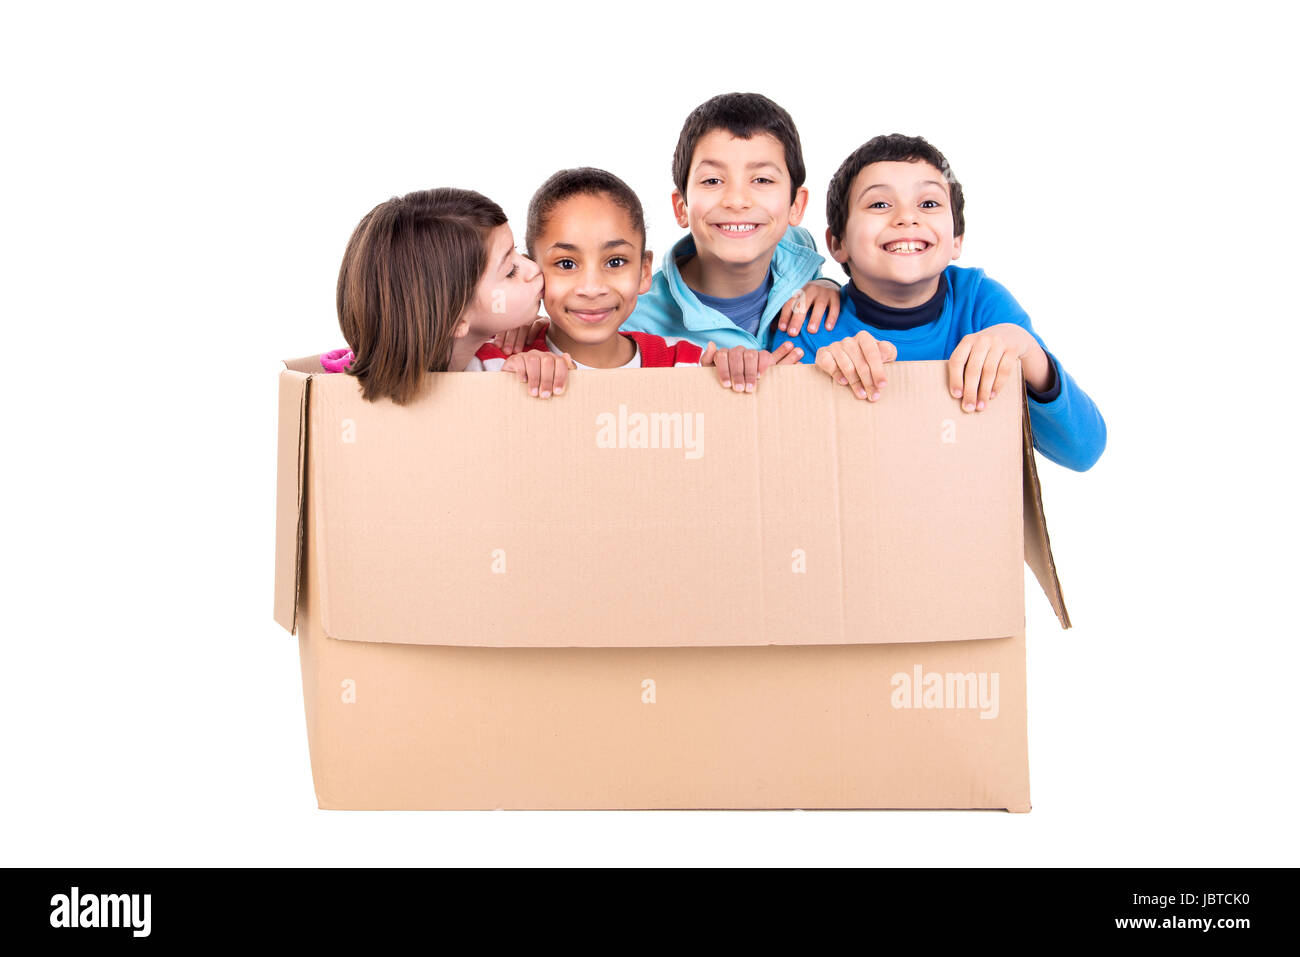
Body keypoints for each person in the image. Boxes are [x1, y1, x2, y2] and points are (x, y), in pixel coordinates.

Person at [773, 134, 1106, 471]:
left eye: (928, 204)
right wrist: (816, 381)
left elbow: (1082, 451)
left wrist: (1028, 352)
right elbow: (778, 465)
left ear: (956, 240)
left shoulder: (980, 304)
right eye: (879, 204)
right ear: (837, 242)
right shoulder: (809, 323)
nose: (906, 217)